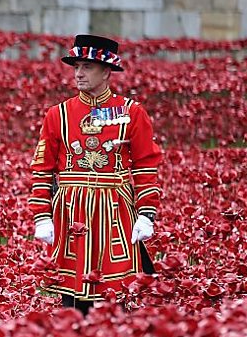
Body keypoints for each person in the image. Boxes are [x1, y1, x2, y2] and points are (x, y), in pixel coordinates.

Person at [28, 34, 162, 315]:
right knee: (71, 298)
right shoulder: (58, 114)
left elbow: (146, 166)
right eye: (76, 67)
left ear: (106, 71)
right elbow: (42, 169)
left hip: (115, 212)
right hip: (70, 212)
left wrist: (147, 214)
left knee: (115, 295)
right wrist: (42, 216)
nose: (78, 73)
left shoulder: (132, 112)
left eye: (86, 67)